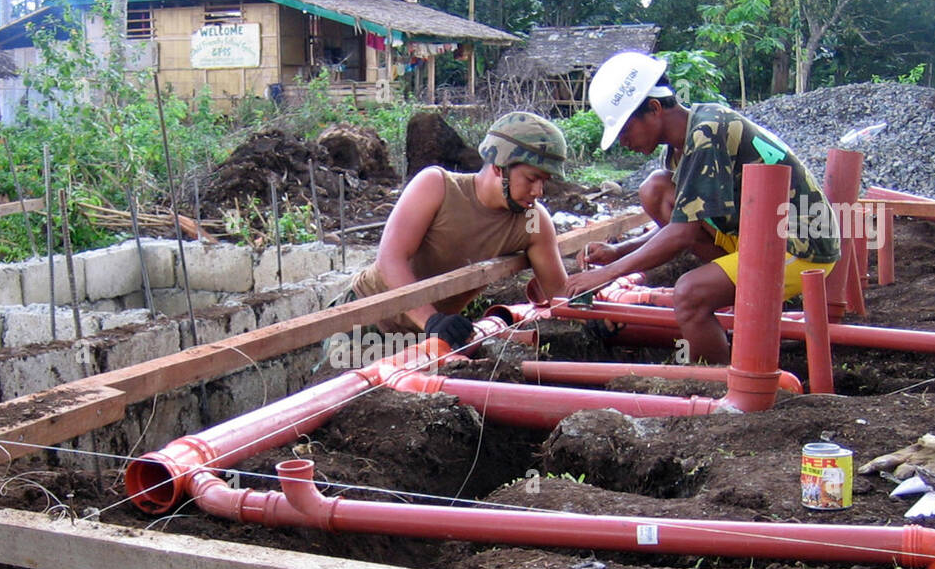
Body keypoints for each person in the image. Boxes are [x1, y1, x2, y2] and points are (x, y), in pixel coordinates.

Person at [568, 52, 839, 364]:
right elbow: (685, 221)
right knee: (656, 188)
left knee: (689, 295)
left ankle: (724, 385)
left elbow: (682, 234)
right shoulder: (678, 150)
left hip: (801, 244)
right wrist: (619, 252)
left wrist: (607, 273)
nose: (623, 142)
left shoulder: (708, 131)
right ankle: (728, 300)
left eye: (625, 130)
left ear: (654, 109)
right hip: (755, 236)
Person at [350, 111, 570, 348]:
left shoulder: (531, 220)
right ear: (499, 167)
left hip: (425, 337)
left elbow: (558, 295)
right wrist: (432, 321)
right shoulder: (438, 188)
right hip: (365, 321)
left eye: (544, 181)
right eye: (531, 178)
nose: (538, 191)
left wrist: (594, 319)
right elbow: (390, 260)